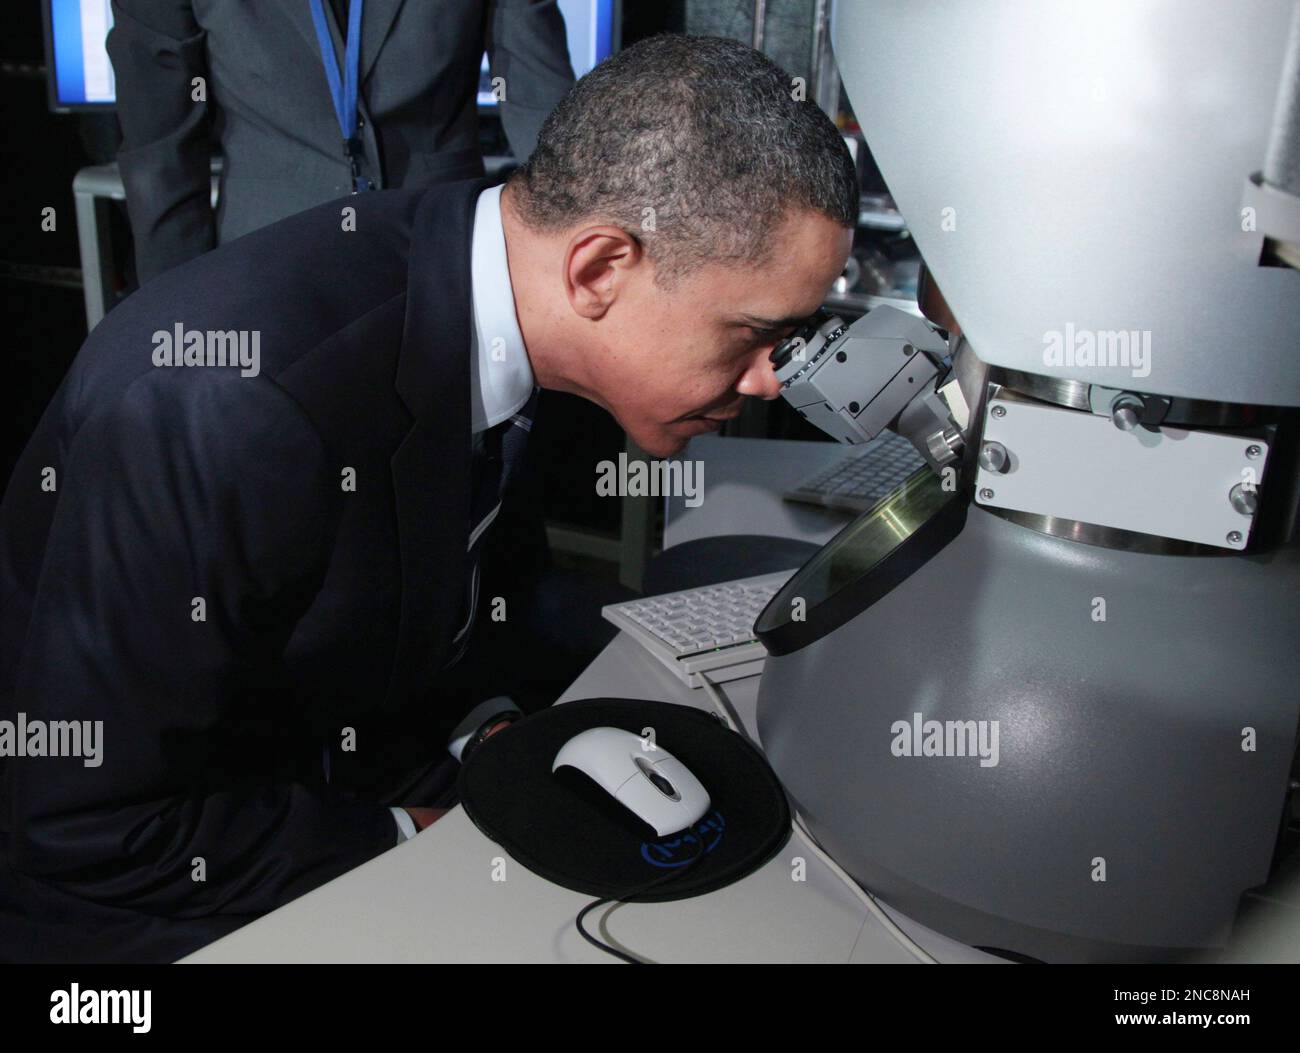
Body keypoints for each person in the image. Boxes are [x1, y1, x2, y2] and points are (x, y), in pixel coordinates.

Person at [0, 34, 857, 963]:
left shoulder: (484, 287)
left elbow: (434, 602)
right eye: (756, 333)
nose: (772, 380)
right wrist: (419, 831)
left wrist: (486, 731)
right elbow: (88, 828)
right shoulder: (236, 408)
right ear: (601, 268)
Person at [108, 0, 575, 284]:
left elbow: (539, 99)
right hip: (262, 267)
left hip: (443, 258)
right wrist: (173, 311)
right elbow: (160, 148)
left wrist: (575, 251)